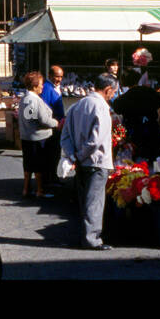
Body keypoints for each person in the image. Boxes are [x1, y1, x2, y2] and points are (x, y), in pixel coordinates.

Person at [60, 73, 117, 250]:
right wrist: (80, 155)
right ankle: (92, 239)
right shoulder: (102, 108)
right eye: (113, 92)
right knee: (94, 202)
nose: (114, 95)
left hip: (82, 162)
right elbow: (96, 141)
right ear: (107, 90)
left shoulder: (77, 105)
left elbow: (65, 136)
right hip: (97, 161)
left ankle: (87, 235)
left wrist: (73, 156)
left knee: (85, 201)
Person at [18, 71, 57, 197]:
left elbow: (28, 117)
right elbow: (42, 120)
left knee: (28, 163)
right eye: (40, 84)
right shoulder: (33, 100)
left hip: (26, 136)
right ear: (34, 86)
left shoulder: (25, 98)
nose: (42, 87)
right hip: (38, 137)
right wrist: (55, 123)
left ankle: (26, 189)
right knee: (39, 164)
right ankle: (40, 190)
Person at [40, 65, 66, 194]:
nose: (59, 79)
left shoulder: (54, 88)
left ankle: (53, 177)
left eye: (61, 76)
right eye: (57, 76)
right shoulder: (47, 88)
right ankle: (47, 180)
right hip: (52, 126)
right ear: (50, 75)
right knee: (49, 154)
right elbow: (44, 108)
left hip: (58, 125)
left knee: (55, 153)